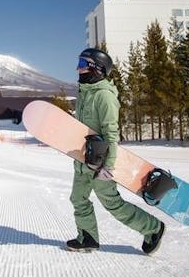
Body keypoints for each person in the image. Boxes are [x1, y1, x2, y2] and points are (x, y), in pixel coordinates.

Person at [66, 48, 165, 254]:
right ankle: (88, 238)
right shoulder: (84, 94)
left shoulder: (104, 96)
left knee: (113, 205)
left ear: (96, 68)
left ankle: (153, 228)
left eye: (83, 65)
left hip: (100, 164)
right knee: (78, 199)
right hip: (84, 161)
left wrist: (108, 166)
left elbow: (112, 134)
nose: (78, 69)